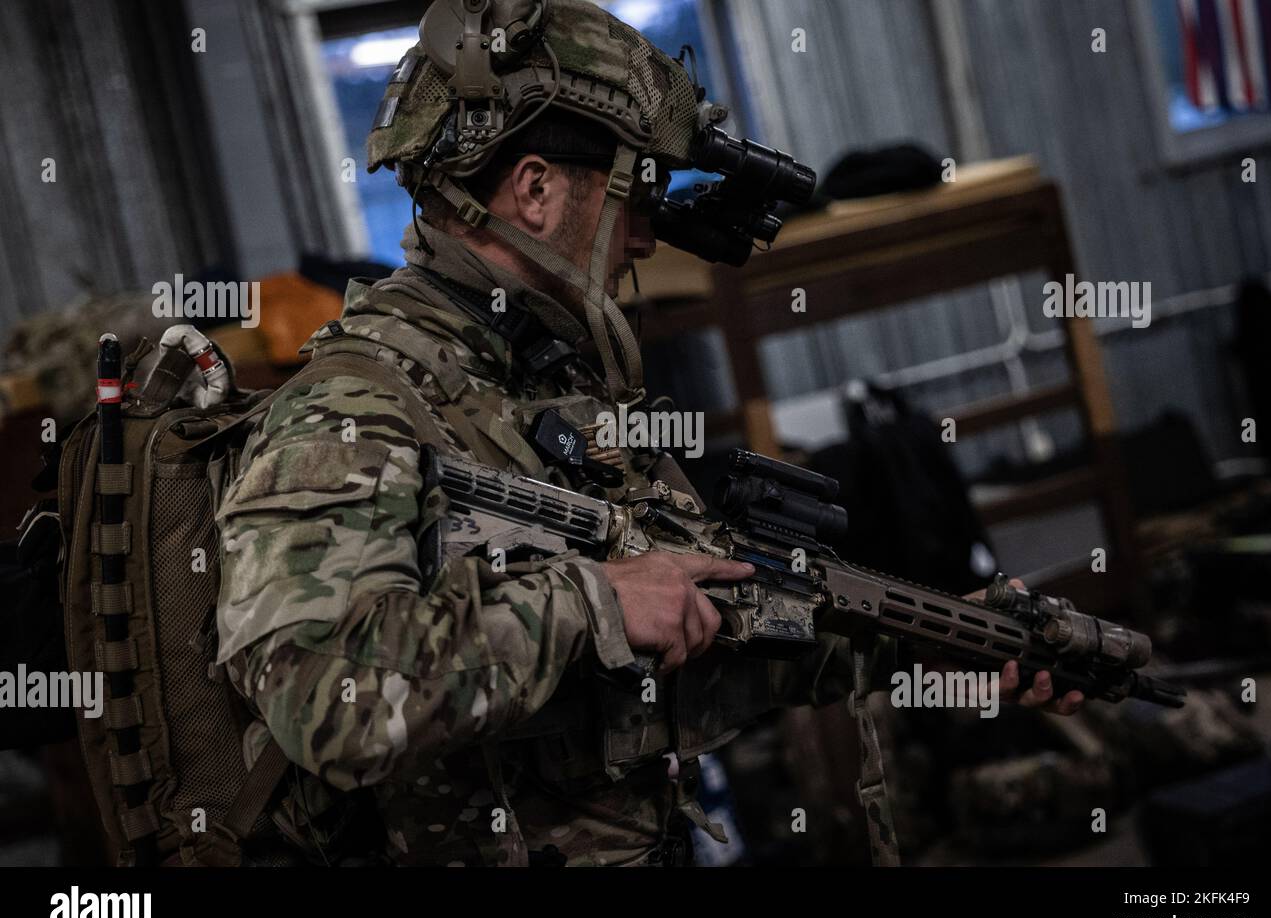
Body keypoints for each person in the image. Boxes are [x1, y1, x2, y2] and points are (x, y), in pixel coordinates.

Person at [216, 0, 1081, 867]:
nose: (639, 234)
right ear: (535, 190)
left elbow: (705, 630)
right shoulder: (354, 409)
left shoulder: (545, 381)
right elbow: (326, 700)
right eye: (631, 193)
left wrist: (938, 646)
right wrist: (599, 601)